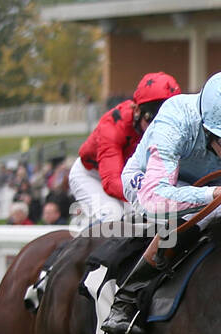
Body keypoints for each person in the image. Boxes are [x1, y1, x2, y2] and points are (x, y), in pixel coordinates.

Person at [101, 69, 221, 334]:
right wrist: (217, 193)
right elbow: (155, 199)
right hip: (153, 182)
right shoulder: (176, 120)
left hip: (216, 182)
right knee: (183, 220)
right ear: (207, 129)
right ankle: (126, 299)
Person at [70, 72, 182, 227]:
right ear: (136, 110)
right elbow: (111, 182)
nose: (158, 128)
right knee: (113, 216)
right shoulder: (113, 126)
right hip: (93, 176)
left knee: (151, 220)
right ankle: (82, 245)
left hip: (132, 178)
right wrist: (150, 195)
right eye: (152, 118)